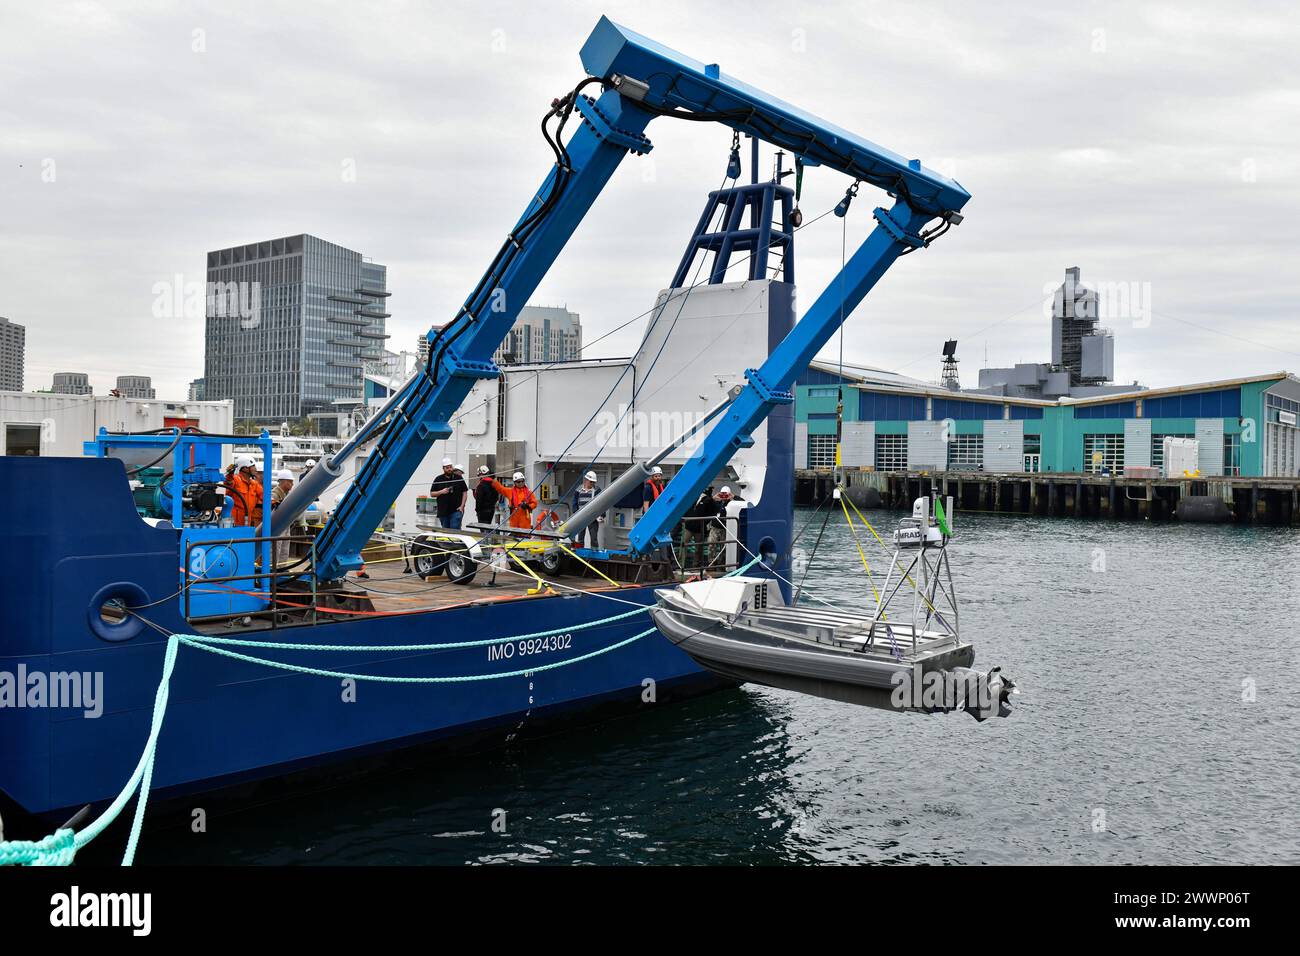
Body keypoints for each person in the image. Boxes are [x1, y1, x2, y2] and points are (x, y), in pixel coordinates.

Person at [268, 469, 305, 565]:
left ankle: (282, 568)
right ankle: (272, 570)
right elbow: (271, 507)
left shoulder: (287, 495)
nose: (292, 484)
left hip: (285, 525)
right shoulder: (274, 494)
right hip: (277, 526)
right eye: (290, 482)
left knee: (284, 550)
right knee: (275, 550)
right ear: (283, 481)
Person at [707, 486, 744, 569]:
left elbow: (743, 502)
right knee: (711, 544)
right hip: (715, 527)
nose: (723, 496)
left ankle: (722, 564)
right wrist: (713, 498)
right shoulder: (716, 502)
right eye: (722, 494)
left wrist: (734, 497)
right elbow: (707, 504)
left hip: (725, 528)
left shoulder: (732, 503)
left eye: (725, 494)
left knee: (724, 547)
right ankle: (711, 563)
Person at [680, 486, 715, 570]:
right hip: (689, 525)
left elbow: (710, 512)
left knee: (698, 548)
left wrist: (704, 523)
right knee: (683, 544)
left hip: (699, 527)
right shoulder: (692, 497)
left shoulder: (708, 500)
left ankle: (696, 565)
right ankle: (681, 564)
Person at [224, 454, 263, 528]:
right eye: (253, 466)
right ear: (245, 468)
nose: (255, 469)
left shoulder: (254, 484)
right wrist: (230, 474)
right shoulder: (236, 480)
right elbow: (228, 482)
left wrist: (274, 502)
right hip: (234, 523)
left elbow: (264, 496)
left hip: (247, 522)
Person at [429, 457, 468, 529]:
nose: (449, 469)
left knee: (454, 530)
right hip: (443, 512)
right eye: (447, 468)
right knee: (445, 531)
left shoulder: (458, 478)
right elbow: (432, 494)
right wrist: (441, 492)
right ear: (443, 468)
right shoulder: (438, 479)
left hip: (456, 510)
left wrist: (462, 506)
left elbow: (464, 492)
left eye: (450, 467)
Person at [571, 470, 602, 548]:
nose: (592, 483)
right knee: (580, 537)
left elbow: (601, 503)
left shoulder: (597, 490)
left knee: (594, 537)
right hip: (581, 517)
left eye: (593, 482)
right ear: (586, 480)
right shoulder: (578, 490)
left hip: (593, 517)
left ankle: (594, 551)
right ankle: (580, 551)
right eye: (591, 482)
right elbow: (574, 503)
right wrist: (575, 514)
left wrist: (601, 515)